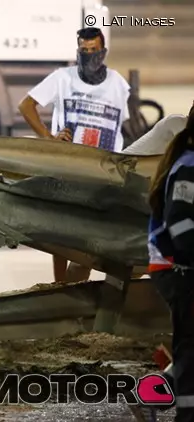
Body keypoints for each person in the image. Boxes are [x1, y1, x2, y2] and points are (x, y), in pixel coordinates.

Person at [18, 27, 131, 284]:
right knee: (62, 229)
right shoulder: (62, 78)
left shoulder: (118, 85)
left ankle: (78, 284)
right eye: (84, 50)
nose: (88, 55)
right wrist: (48, 139)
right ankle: (61, 286)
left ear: (103, 52)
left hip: (102, 171)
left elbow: (121, 125)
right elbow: (26, 105)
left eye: (93, 50)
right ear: (77, 51)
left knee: (93, 233)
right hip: (67, 167)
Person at [147, 103, 194, 422]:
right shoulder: (189, 167)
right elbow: (180, 223)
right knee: (191, 347)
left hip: (182, 265)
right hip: (177, 268)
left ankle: (148, 395)